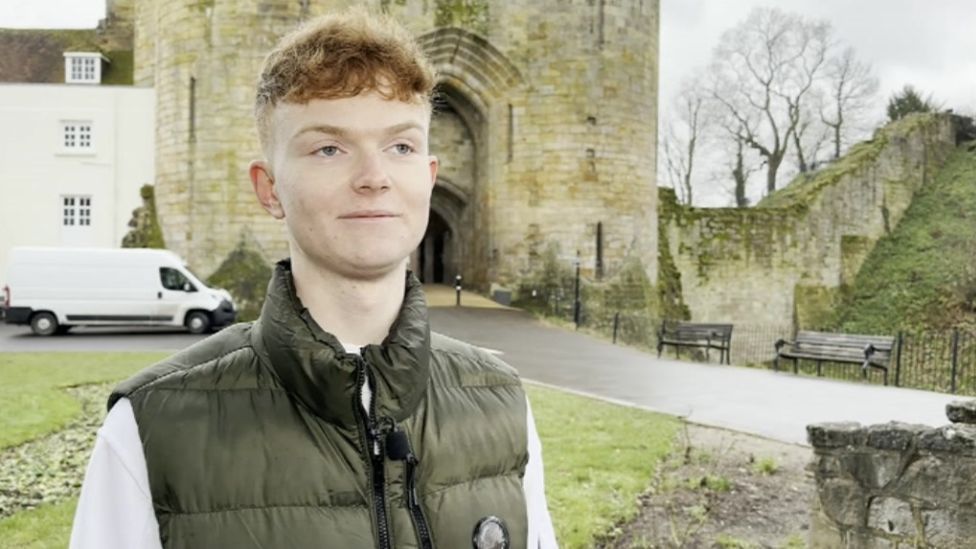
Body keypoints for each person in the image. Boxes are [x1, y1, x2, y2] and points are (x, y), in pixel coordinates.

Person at [69, 9, 557, 549]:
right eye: (329, 148)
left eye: (400, 147)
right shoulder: (149, 429)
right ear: (270, 188)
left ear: (429, 175)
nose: (374, 178)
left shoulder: (502, 404)